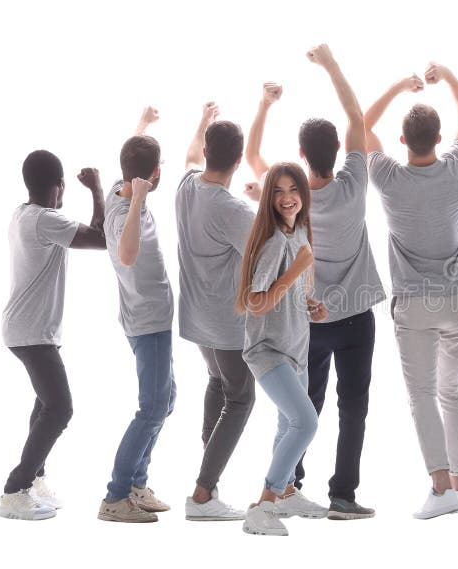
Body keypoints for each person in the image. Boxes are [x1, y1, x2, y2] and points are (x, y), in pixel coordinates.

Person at [247, 44, 383, 520]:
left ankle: (287, 487)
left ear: (302, 156)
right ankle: (342, 495)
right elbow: (356, 116)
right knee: (354, 408)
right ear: (339, 153)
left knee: (304, 407)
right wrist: (329, 64)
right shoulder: (354, 183)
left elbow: (252, 155)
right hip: (357, 318)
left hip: (310, 322)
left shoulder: (290, 201)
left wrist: (265, 104)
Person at [365, 62, 458, 519]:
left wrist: (396, 85)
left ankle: (440, 485)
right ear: (441, 136)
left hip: (413, 304)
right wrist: (447, 76)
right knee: (453, 393)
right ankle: (457, 486)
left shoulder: (388, 178)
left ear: (403, 141)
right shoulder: (457, 169)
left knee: (423, 395)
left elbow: (362, 124)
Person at [0, 150, 106, 520]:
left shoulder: (22, 214)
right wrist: (96, 189)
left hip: (25, 329)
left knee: (45, 404)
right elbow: (102, 238)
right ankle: (16, 489)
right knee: (60, 408)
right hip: (32, 334)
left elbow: (73, 228)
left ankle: (35, 480)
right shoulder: (46, 220)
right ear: (58, 186)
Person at [237, 162, 329, 536]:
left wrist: (310, 304)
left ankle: (288, 491)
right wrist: (295, 271)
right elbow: (255, 303)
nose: (287, 198)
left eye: (293, 190)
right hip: (267, 351)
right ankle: (264, 505)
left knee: (286, 424)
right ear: (269, 198)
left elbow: (290, 291)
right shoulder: (275, 242)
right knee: (305, 422)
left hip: (295, 348)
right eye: (278, 191)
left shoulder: (299, 233)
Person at [98, 108, 176, 523]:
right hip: (148, 325)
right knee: (151, 408)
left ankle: (136, 485)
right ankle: (115, 496)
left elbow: (131, 156)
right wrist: (140, 200)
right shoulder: (125, 211)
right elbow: (126, 256)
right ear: (155, 174)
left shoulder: (119, 187)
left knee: (166, 401)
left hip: (147, 321)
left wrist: (143, 125)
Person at [177, 104, 255, 521]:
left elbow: (189, 154)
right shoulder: (234, 210)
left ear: (207, 152)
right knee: (241, 397)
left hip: (196, 320)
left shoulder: (185, 185)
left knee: (217, 383)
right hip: (226, 325)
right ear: (239, 160)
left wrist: (202, 120)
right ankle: (203, 494)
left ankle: (210, 473)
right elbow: (267, 258)